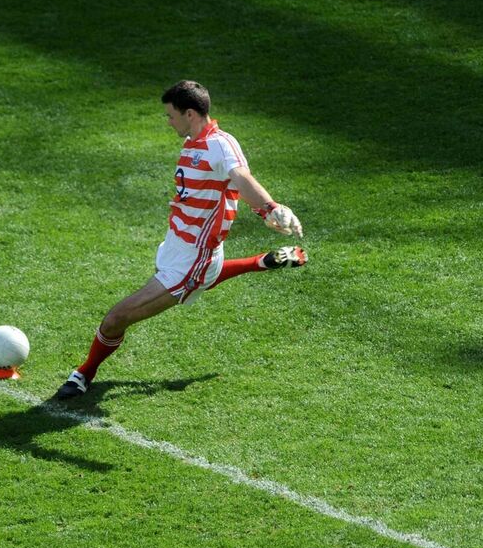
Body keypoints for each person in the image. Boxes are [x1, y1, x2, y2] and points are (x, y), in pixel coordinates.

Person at [54, 80, 306, 400]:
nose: (168, 121)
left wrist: (270, 207)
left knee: (116, 318)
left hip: (193, 257)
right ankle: (261, 261)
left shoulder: (219, 144)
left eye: (171, 115)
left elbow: (240, 177)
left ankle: (83, 373)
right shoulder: (193, 142)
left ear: (190, 113)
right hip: (178, 246)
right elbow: (223, 189)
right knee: (202, 279)